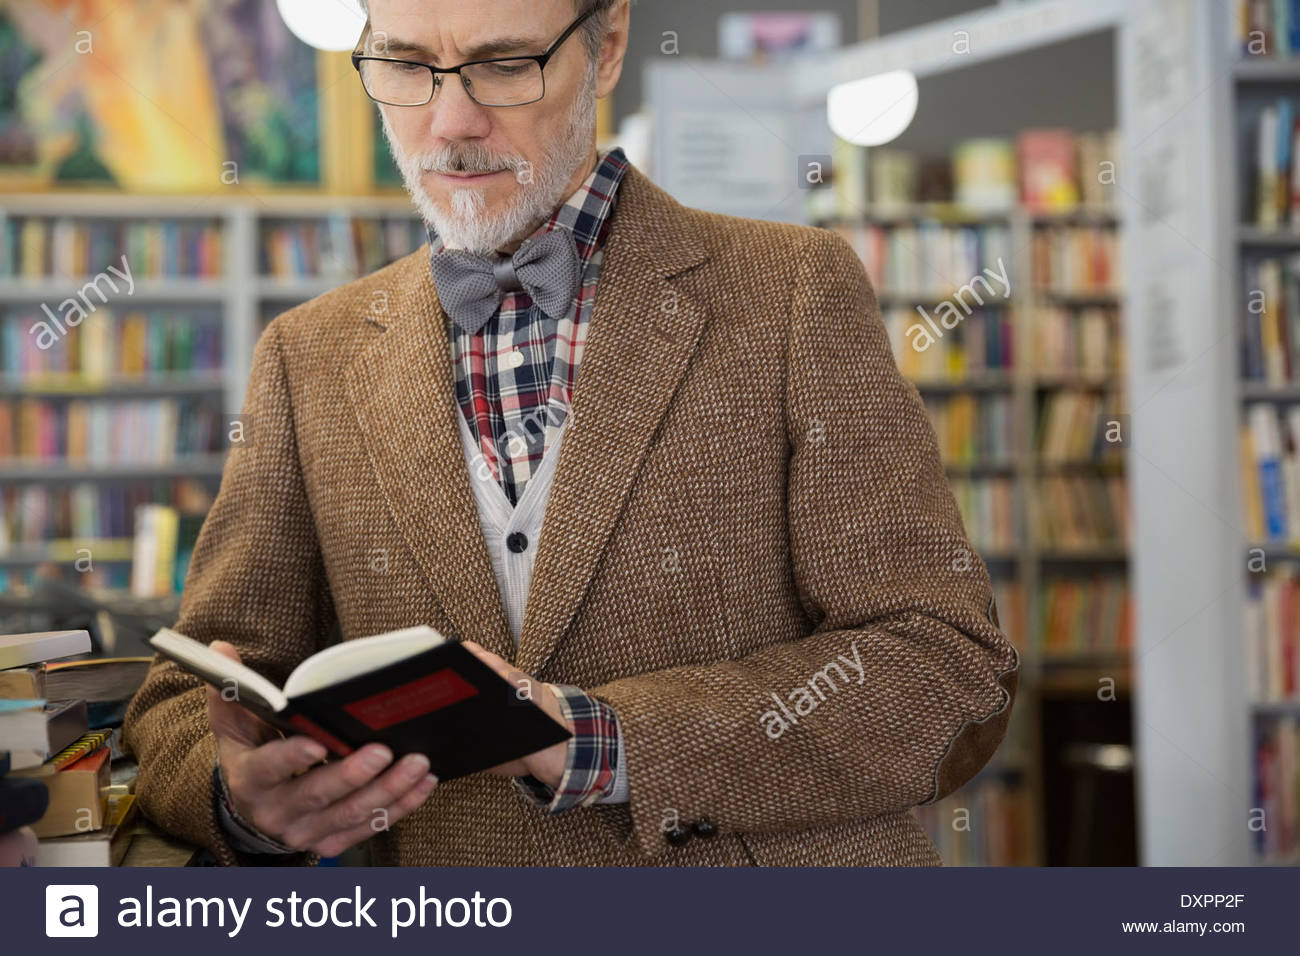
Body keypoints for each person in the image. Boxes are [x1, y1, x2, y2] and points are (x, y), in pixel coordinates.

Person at [122, 0, 1020, 867]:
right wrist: (245, 804)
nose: (451, 122)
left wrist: (594, 738)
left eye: (505, 64)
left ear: (609, 43)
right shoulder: (306, 353)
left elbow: (943, 664)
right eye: (403, 65)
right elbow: (181, 698)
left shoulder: (791, 291)